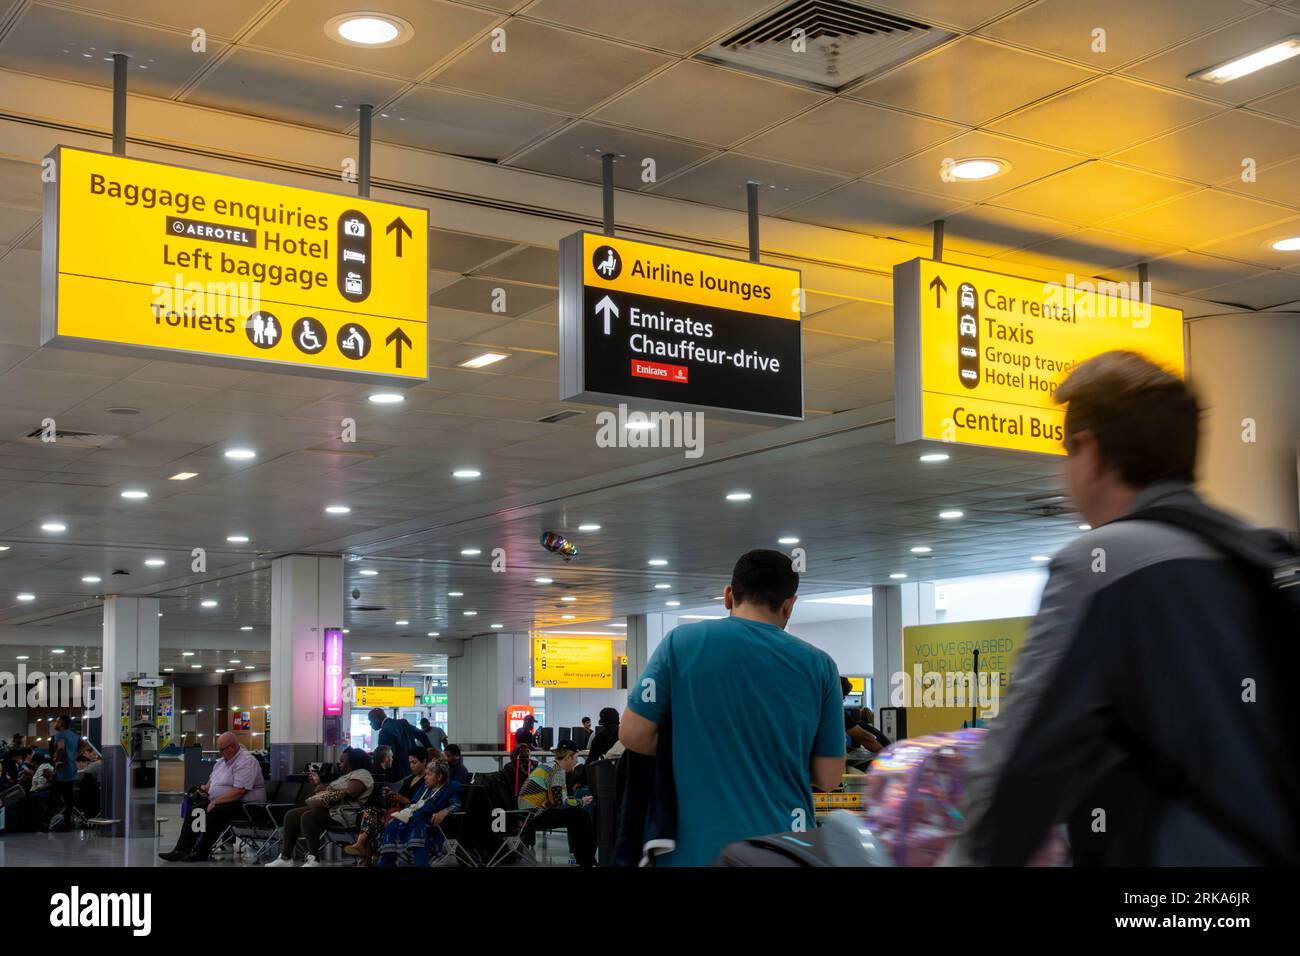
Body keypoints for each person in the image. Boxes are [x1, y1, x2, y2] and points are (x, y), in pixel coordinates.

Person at [950, 351, 1299, 866]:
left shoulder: (1101, 565)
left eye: (1067, 453)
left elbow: (1021, 767)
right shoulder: (1266, 555)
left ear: (1089, 453)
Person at [620, 550, 846, 866]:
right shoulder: (820, 665)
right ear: (789, 604)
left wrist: (690, 749)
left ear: (728, 595)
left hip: (694, 849)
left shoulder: (681, 643)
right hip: (784, 846)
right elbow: (828, 775)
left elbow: (633, 733)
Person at [161, 732, 267, 862]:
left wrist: (215, 801)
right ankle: (182, 850)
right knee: (195, 811)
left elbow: (240, 791)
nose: (219, 753)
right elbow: (211, 782)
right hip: (226, 802)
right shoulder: (221, 762)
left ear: (232, 747)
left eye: (221, 750)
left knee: (213, 814)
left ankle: (201, 852)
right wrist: (205, 789)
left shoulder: (246, 761)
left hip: (247, 806)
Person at [266, 747, 374, 867]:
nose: (340, 765)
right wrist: (319, 784)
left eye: (343, 761)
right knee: (291, 815)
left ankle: (314, 859)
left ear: (353, 761)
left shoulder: (363, 774)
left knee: (309, 817)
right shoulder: (346, 776)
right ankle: (285, 858)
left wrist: (326, 789)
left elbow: (352, 791)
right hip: (331, 809)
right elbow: (328, 791)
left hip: (345, 813)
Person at [517, 740, 595, 866]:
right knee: (581, 816)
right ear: (568, 757)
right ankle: (586, 861)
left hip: (525, 814)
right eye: (576, 758)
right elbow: (560, 804)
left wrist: (576, 802)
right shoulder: (557, 772)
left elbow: (556, 800)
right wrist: (581, 801)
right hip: (532, 816)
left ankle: (582, 859)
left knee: (576, 815)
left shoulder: (548, 766)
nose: (576, 762)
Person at [345, 746, 429, 864]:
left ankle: (366, 858)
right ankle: (361, 847)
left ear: (424, 761)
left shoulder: (428, 780)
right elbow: (398, 798)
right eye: (410, 763)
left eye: (415, 762)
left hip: (408, 815)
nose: (412, 766)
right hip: (396, 811)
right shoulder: (409, 779)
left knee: (373, 821)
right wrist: (391, 796)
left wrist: (401, 799)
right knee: (370, 812)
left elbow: (421, 803)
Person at [377, 759, 464, 866]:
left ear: (439, 777)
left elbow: (456, 805)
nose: (425, 777)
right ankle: (387, 862)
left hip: (433, 823)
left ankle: (421, 863)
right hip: (416, 817)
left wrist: (444, 811)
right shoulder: (425, 788)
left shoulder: (451, 788)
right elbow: (414, 804)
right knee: (392, 825)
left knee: (418, 828)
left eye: (429, 774)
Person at [368, 708, 430, 772]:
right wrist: (430, 749)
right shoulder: (403, 723)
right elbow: (421, 734)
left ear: (376, 719)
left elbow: (386, 757)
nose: (370, 724)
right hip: (412, 768)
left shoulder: (384, 732)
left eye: (371, 721)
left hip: (397, 773)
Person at [47, 716, 81, 832]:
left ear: (61, 723)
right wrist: (73, 757)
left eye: (56, 721)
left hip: (62, 771)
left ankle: (47, 822)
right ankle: (66, 821)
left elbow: (61, 748)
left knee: (53, 797)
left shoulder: (60, 734)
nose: (55, 723)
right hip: (72, 769)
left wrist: (56, 761)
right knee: (69, 798)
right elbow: (83, 747)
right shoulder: (75, 736)